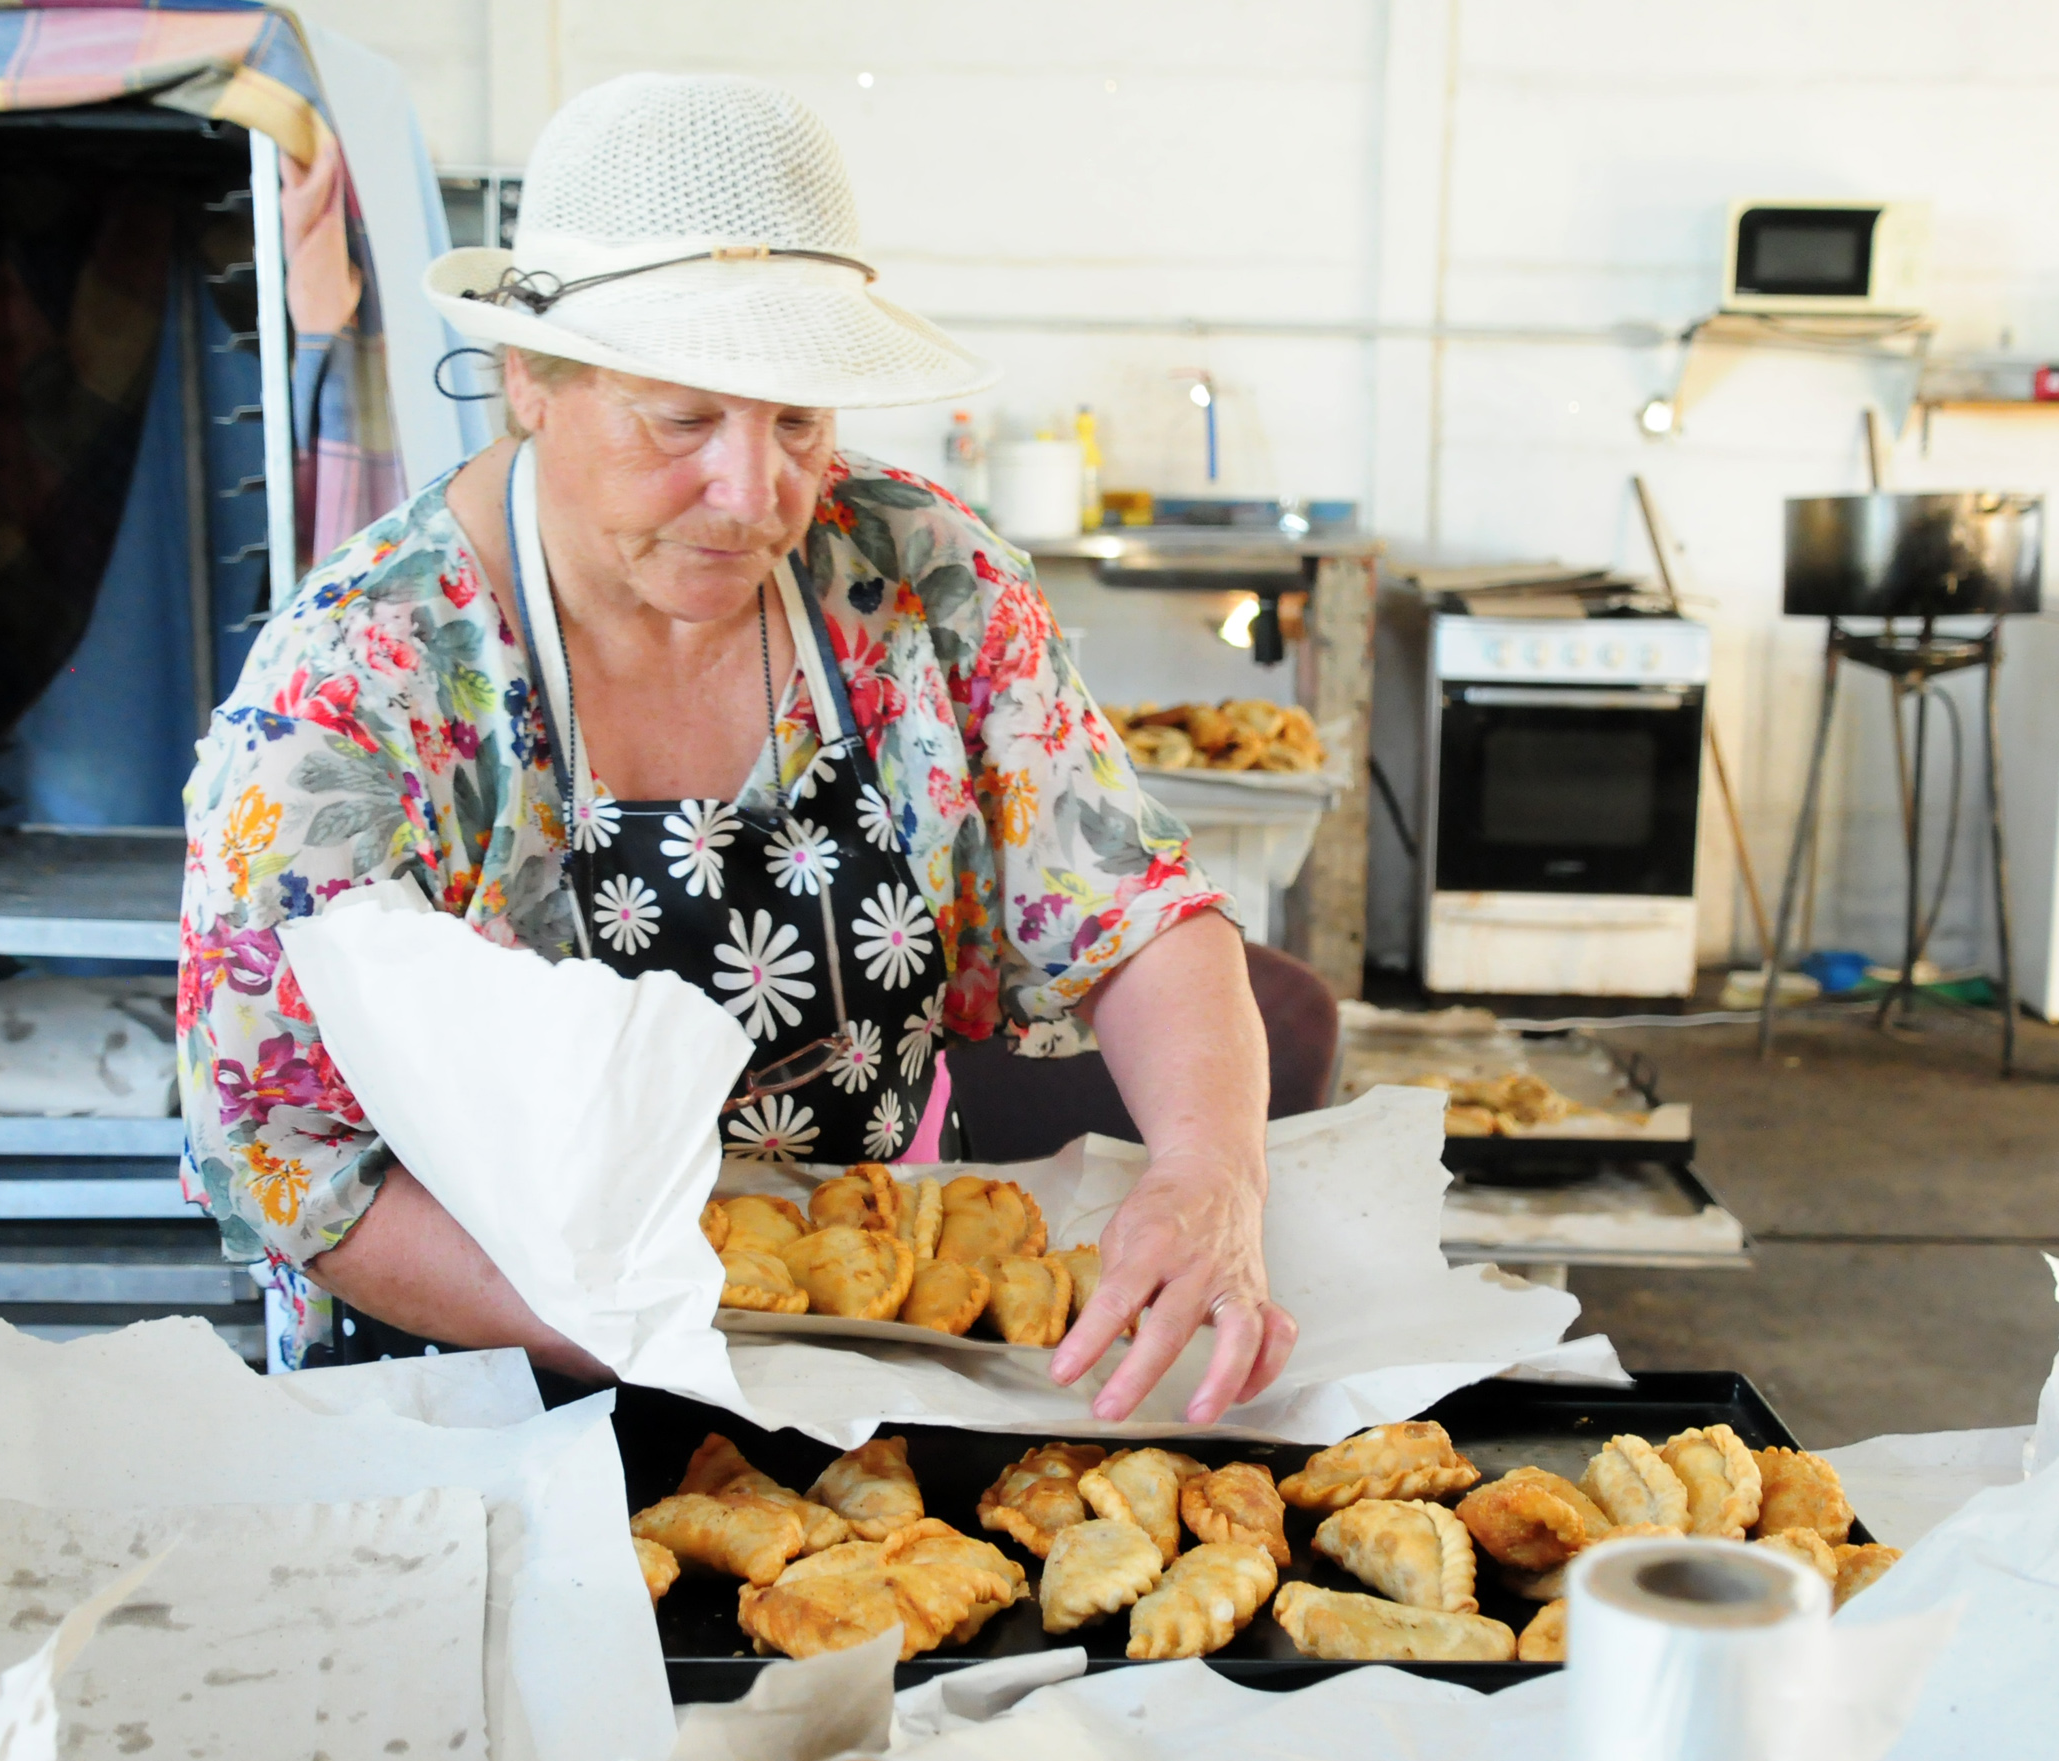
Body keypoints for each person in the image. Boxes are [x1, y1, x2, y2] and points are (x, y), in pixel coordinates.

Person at [177, 72, 1295, 1423]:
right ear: (532, 379)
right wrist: (676, 1339)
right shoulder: (363, 687)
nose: (754, 493)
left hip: (871, 1365)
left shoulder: (917, 577)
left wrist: (1207, 1174)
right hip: (477, 1377)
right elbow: (283, 1154)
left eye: (798, 420)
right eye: (684, 418)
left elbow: (1136, 913)